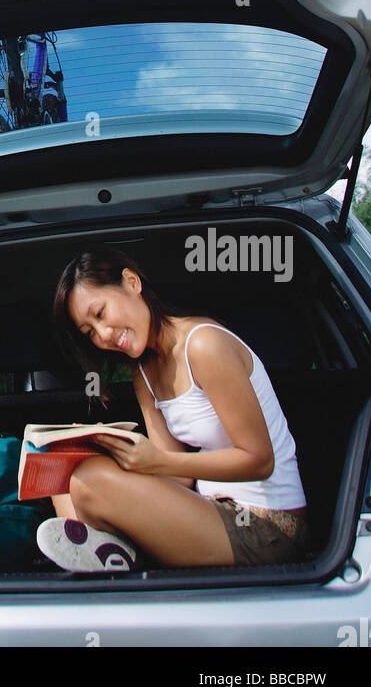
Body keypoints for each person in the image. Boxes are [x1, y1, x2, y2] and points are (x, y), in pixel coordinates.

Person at [36, 245, 309, 572]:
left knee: (89, 481)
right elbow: (178, 478)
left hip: (267, 526)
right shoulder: (143, 373)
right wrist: (110, 454)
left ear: (131, 282)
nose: (103, 335)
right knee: (63, 481)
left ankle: (119, 553)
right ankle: (113, 554)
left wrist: (157, 461)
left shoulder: (204, 345)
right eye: (90, 332)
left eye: (100, 314)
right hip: (207, 510)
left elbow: (259, 460)